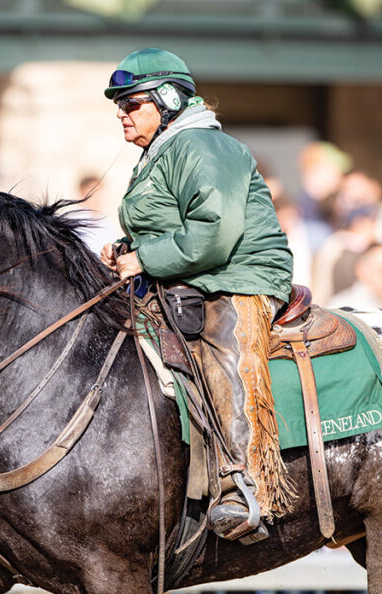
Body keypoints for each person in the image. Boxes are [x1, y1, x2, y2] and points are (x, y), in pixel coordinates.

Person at [99, 48, 292, 542]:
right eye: (119, 105)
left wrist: (145, 258)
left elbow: (215, 232)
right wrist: (128, 249)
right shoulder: (162, 151)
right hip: (186, 275)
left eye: (131, 103)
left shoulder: (202, 146)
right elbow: (167, 225)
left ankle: (242, 488)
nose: (122, 114)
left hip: (238, 278)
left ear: (167, 99)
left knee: (222, 347)